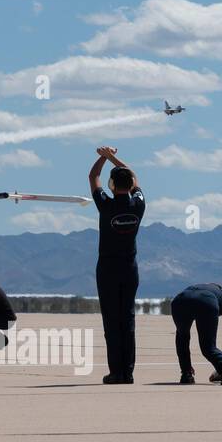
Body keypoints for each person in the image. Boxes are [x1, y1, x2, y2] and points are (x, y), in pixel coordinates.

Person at [88, 145, 145, 384]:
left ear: (112, 185)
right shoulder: (138, 204)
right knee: (128, 321)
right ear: (131, 185)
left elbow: (93, 177)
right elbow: (130, 172)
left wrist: (102, 157)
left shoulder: (106, 204)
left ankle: (117, 372)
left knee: (112, 323)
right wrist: (112, 157)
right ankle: (128, 373)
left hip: (108, 270)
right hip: (130, 270)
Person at [171, 283, 222, 386]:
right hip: (206, 301)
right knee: (208, 347)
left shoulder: (198, 287)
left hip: (180, 300)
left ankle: (186, 373)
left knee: (182, 336)